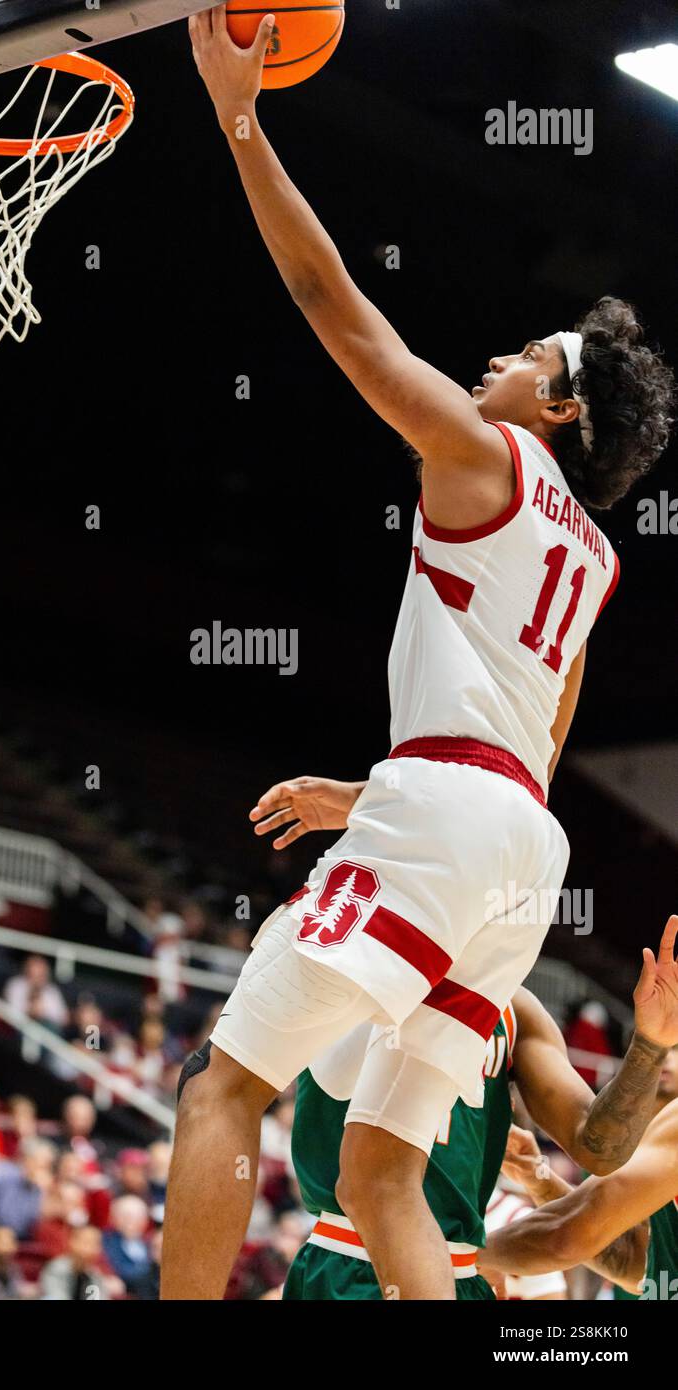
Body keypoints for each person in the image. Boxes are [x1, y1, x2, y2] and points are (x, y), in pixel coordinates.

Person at [163, 8, 675, 1301]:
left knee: (218, 1083)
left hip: (448, 807)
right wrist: (375, 792)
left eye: (528, 358)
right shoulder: (594, 561)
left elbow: (335, 309)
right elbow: (530, 749)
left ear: (557, 408)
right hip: (518, 842)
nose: (496, 357)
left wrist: (237, 117)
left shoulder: (485, 456)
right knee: (386, 1168)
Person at [284, 917, 678, 1300]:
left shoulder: (515, 1007)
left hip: (455, 1266)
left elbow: (597, 1148)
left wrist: (651, 1042)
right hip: (347, 1249)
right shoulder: (348, 949)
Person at [483, 1042, 678, 1299]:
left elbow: (570, 1232)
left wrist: (467, 1254)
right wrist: (539, 1178)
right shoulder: (636, 1147)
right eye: (664, 1047)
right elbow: (633, 1263)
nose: (666, 1057)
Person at [39, 1225, 121, 1301]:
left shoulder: (94, 1275)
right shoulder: (56, 1269)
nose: (91, 1249)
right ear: (72, 1242)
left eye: (96, 1244)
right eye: (86, 1242)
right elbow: (56, 1295)